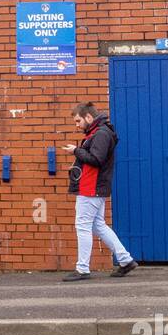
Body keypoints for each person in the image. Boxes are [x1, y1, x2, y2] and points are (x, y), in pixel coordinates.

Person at [61, 102, 138, 281]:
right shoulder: (99, 133)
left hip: (91, 187)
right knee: (98, 225)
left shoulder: (101, 134)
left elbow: (97, 159)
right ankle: (126, 261)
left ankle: (82, 269)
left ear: (89, 117)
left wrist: (76, 151)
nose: (77, 124)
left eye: (78, 120)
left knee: (83, 226)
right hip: (93, 187)